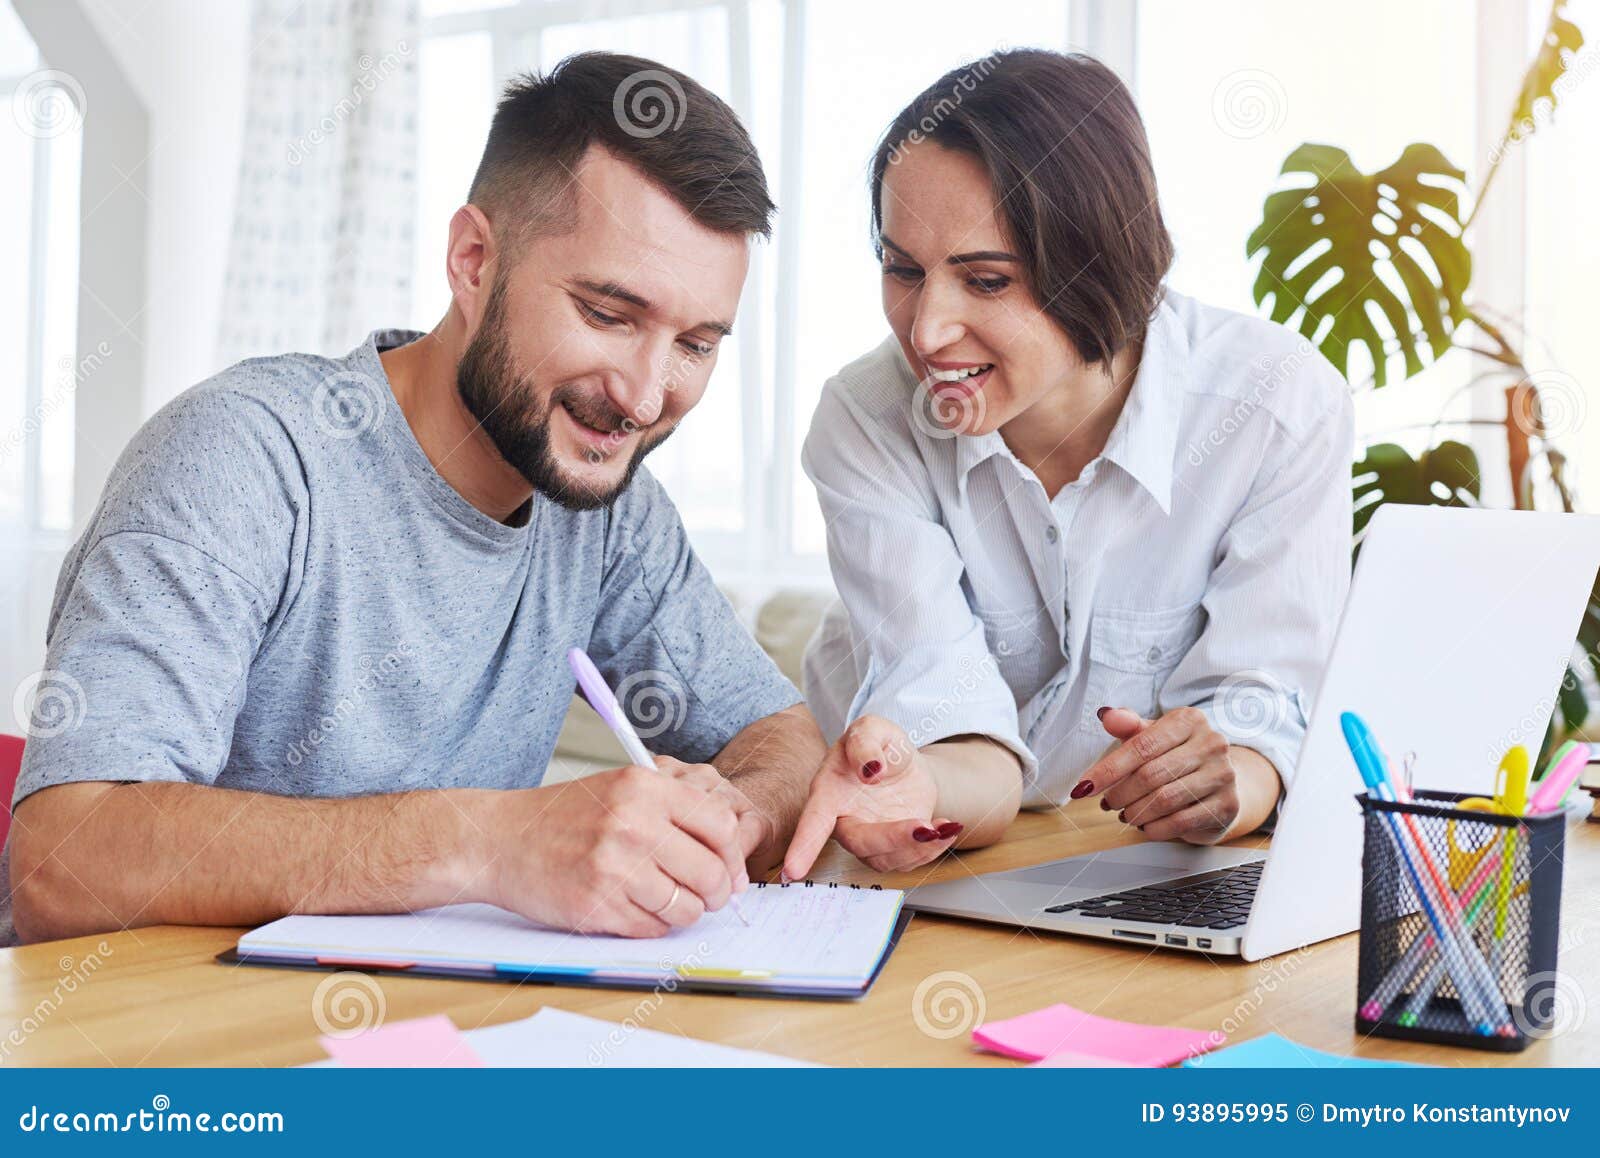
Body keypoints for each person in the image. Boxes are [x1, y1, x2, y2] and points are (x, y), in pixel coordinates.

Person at [4, 52, 826, 947]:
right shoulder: (243, 458)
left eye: (696, 346)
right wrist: (488, 842)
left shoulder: (608, 509)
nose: (642, 396)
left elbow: (780, 736)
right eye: (608, 315)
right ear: (473, 261)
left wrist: (727, 822)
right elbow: (64, 859)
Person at [782, 49, 1352, 882]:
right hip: (922, 862)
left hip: (1124, 868)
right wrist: (909, 784)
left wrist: (1227, 781)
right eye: (903, 269)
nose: (928, 330)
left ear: (1103, 259)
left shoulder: (1273, 405)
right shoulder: (869, 418)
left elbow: (1267, 713)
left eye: (984, 281)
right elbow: (952, 727)